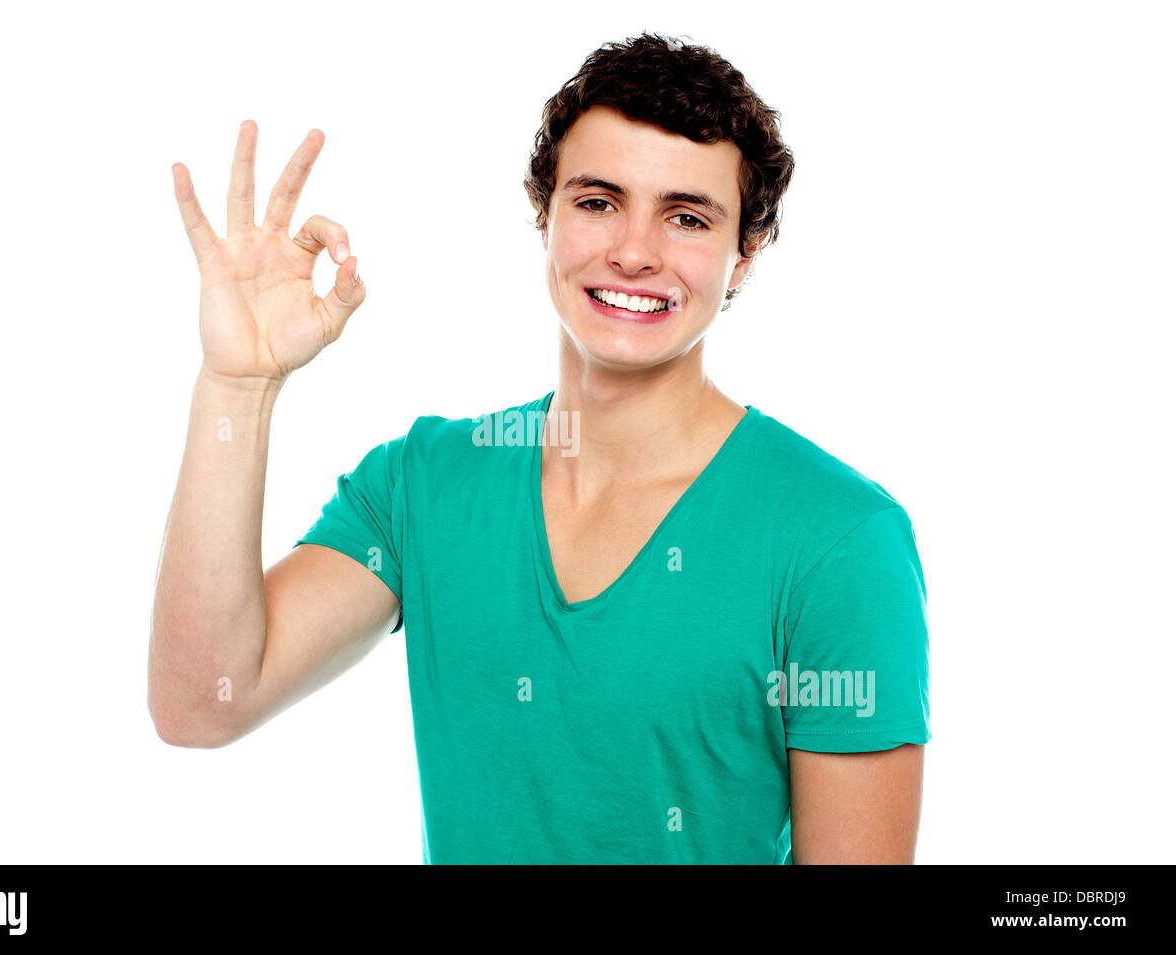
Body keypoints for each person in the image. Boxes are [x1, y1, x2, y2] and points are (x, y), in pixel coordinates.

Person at [149, 31, 931, 864]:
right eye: (598, 201)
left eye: (687, 216)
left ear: (744, 255)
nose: (633, 251)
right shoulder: (424, 484)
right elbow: (201, 702)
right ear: (545, 215)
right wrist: (238, 385)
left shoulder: (841, 539)